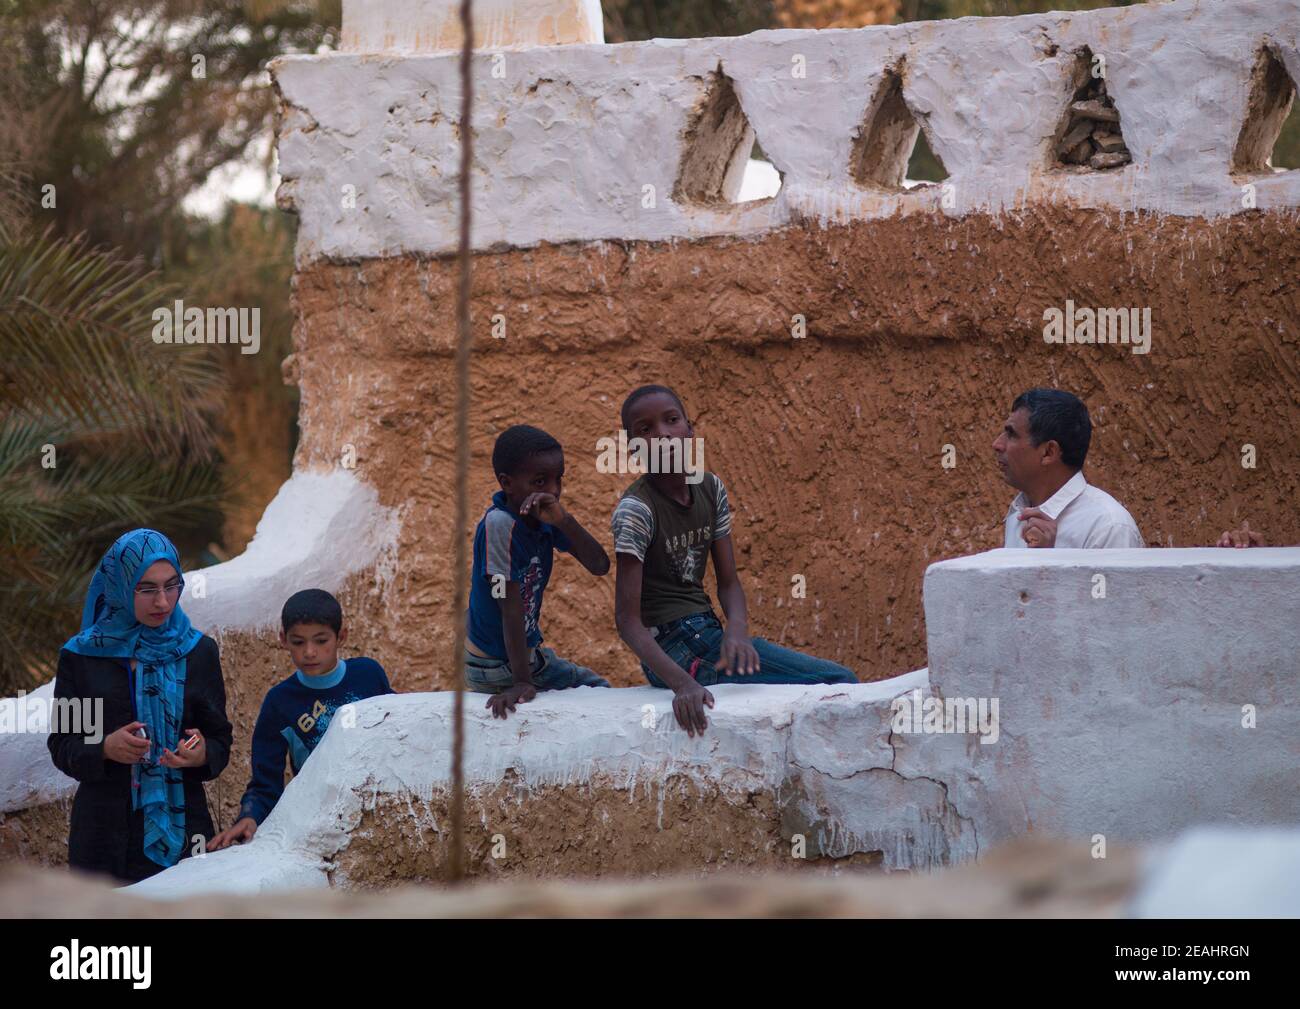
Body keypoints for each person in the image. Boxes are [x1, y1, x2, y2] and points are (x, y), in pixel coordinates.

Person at [612, 384, 857, 738]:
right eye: (645, 430)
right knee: (839, 681)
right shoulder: (637, 510)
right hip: (673, 650)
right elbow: (627, 622)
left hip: (709, 634)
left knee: (827, 686)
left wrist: (737, 631)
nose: (662, 433)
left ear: (689, 429)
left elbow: (728, 583)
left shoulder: (710, 489)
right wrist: (682, 685)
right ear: (633, 447)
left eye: (671, 420)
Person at [47, 528, 232, 883]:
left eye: (172, 585)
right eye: (146, 589)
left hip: (186, 834)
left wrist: (201, 752)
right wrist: (105, 747)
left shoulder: (197, 652)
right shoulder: (84, 658)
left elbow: (219, 738)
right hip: (104, 839)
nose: (163, 602)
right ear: (119, 585)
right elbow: (63, 746)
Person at [210, 589, 393, 849]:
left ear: (341, 637)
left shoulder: (368, 675)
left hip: (380, 809)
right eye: (298, 642)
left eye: (321, 641)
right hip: (321, 824)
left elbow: (399, 732)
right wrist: (249, 817)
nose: (309, 652)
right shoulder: (279, 702)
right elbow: (266, 784)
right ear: (283, 639)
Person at [464, 424, 611, 720]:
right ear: (507, 483)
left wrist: (564, 520)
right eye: (540, 481)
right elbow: (510, 609)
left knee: (599, 695)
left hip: (519, 658)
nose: (553, 491)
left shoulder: (542, 518)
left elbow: (599, 565)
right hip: (495, 665)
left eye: (559, 480)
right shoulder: (500, 525)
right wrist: (521, 681)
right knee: (598, 690)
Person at [993, 388, 1144, 549]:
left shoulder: (1108, 527)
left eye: (1011, 434)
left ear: (1048, 452)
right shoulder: (1018, 514)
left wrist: (1049, 562)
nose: (997, 444)